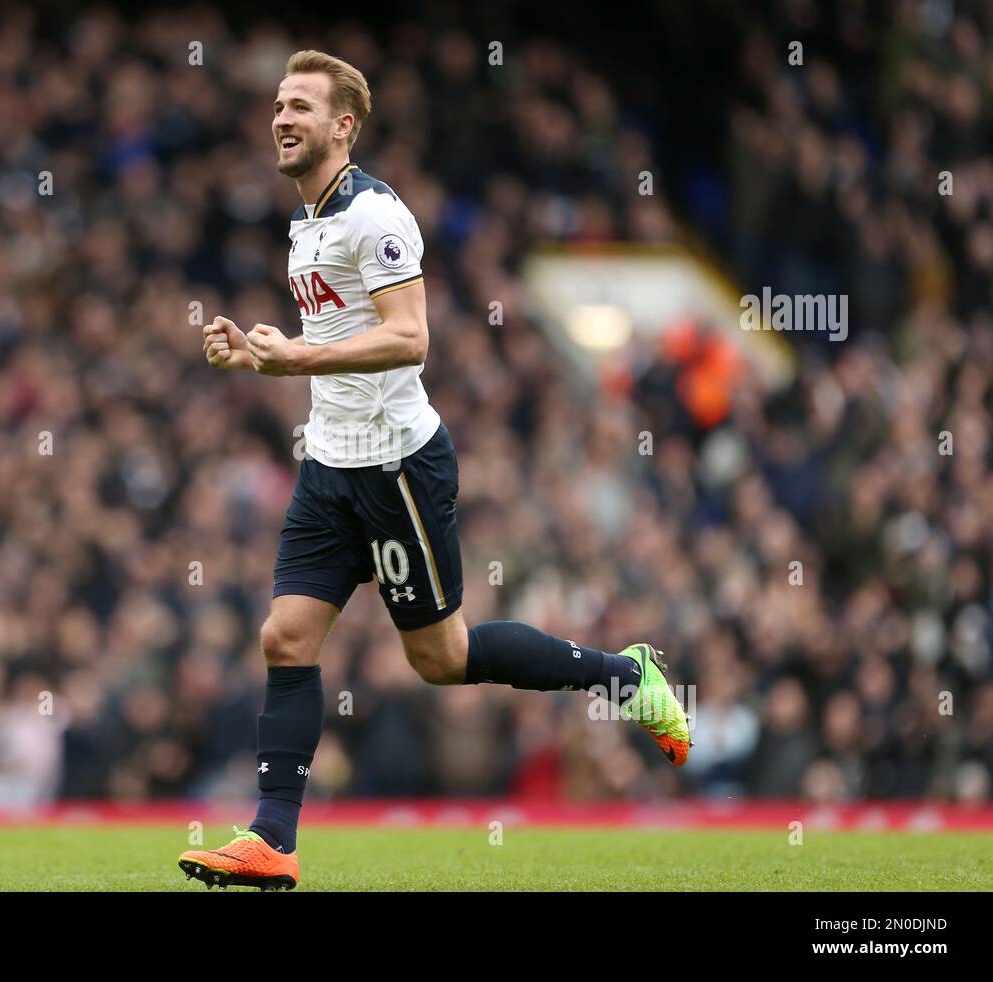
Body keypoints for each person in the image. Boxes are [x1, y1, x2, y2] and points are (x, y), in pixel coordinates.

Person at [178, 50, 691, 891]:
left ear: (343, 125)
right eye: (278, 104)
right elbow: (343, 338)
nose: (281, 117)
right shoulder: (307, 219)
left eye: (301, 106)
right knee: (285, 636)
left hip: (395, 466)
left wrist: (297, 356)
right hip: (329, 463)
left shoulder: (374, 212)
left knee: (442, 659)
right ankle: (273, 839)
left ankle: (625, 676)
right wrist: (256, 353)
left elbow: (411, 337)